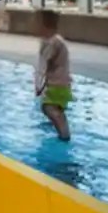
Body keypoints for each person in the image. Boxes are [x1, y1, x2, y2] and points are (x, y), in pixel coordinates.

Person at [34, 10, 72, 141]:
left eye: (37, 24)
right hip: (60, 84)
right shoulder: (53, 41)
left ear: (45, 26)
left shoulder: (54, 43)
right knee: (51, 108)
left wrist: (38, 85)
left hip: (58, 84)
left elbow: (43, 64)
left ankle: (64, 135)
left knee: (49, 108)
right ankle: (62, 132)